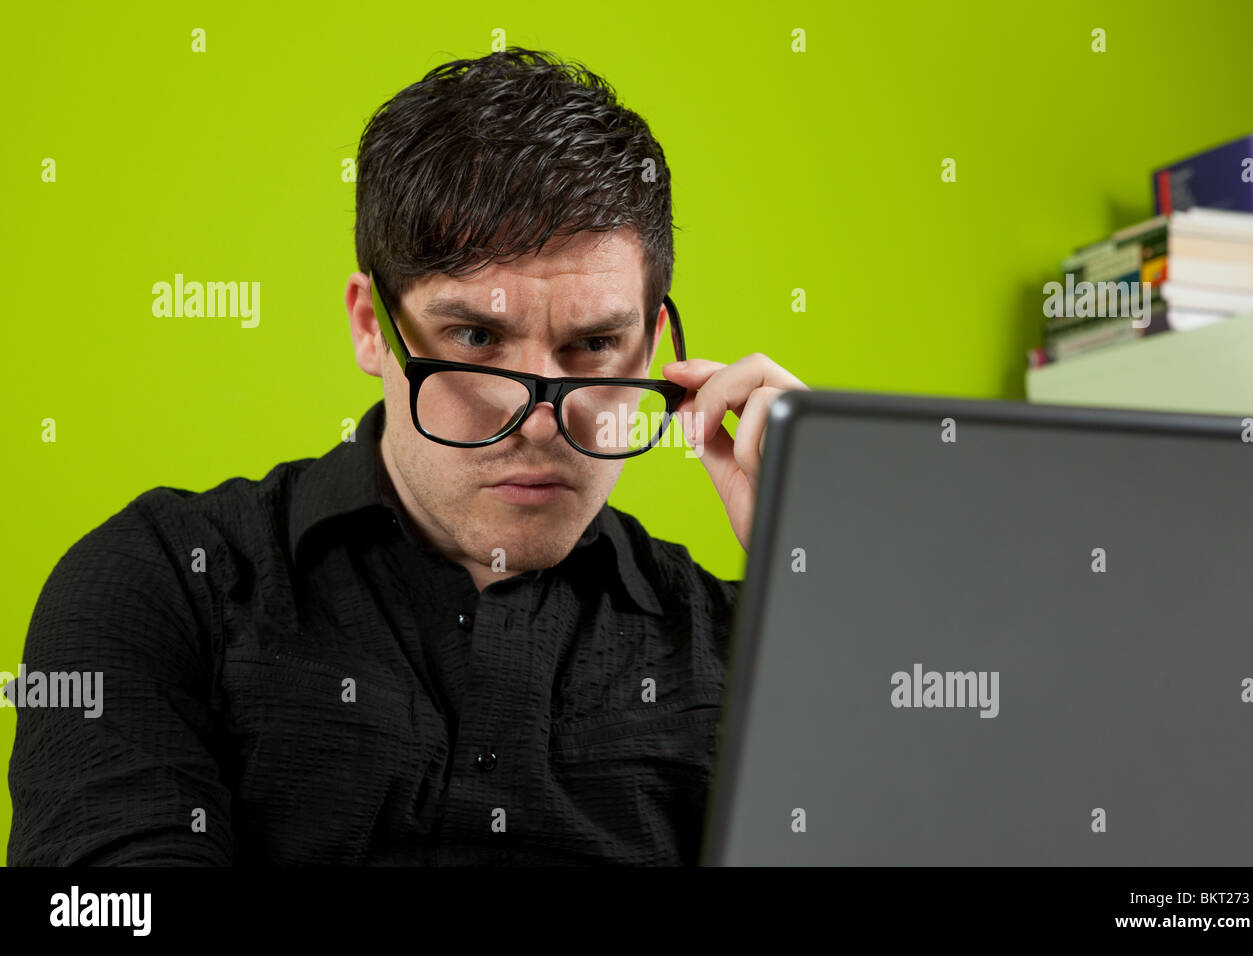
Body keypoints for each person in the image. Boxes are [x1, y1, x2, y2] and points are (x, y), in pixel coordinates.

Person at [7, 47, 807, 865]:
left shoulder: (761, 648)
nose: (538, 422)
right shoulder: (164, 584)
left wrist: (838, 602)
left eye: (595, 344)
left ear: (657, 347)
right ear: (370, 327)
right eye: (476, 337)